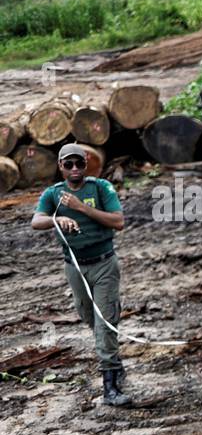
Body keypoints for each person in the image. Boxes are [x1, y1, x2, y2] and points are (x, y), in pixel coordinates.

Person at [31, 143, 131, 407]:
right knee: (87, 315)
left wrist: (81, 208)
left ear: (86, 164)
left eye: (79, 164)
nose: (75, 169)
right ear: (61, 167)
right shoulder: (54, 194)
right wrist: (57, 219)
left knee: (104, 321)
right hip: (74, 266)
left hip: (104, 264)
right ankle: (115, 363)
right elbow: (35, 221)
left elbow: (118, 221)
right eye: (68, 164)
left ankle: (110, 387)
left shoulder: (100, 188)